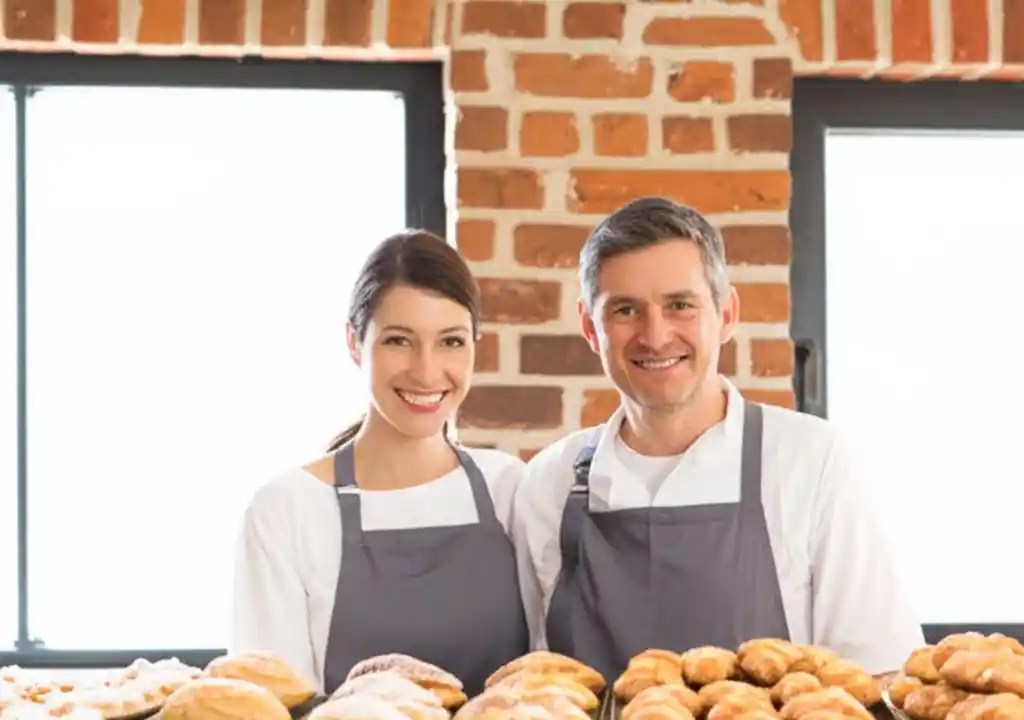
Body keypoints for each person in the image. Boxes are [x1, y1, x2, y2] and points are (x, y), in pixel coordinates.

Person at [511, 197, 925, 682]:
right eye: (625, 310)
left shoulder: (811, 460)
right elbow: (532, 682)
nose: (655, 336)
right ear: (589, 327)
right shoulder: (549, 482)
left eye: (680, 305)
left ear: (726, 314)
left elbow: (878, 675)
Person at [231, 230, 529, 696]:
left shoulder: (510, 489)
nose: (426, 371)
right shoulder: (287, 510)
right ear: (355, 342)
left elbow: (548, 679)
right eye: (398, 340)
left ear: (475, 345)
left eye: (451, 341)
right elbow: (272, 704)